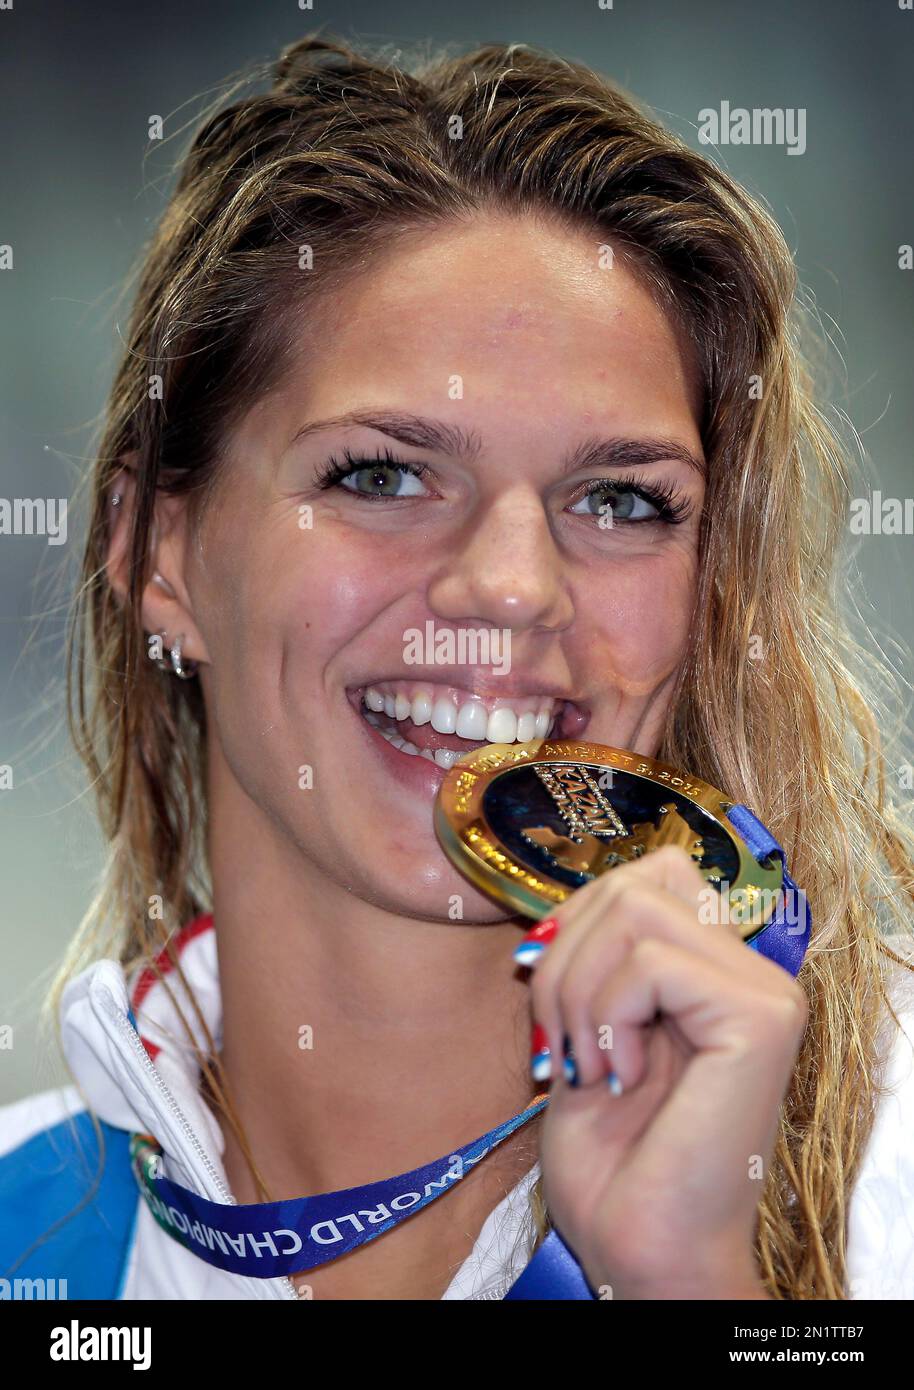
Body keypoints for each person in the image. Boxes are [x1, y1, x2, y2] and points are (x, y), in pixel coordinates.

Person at [2, 32, 913, 1302]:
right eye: (381, 474)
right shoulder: (21, 1221)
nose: (511, 586)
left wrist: (692, 1284)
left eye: (619, 499)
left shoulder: (892, 1173)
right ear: (159, 554)